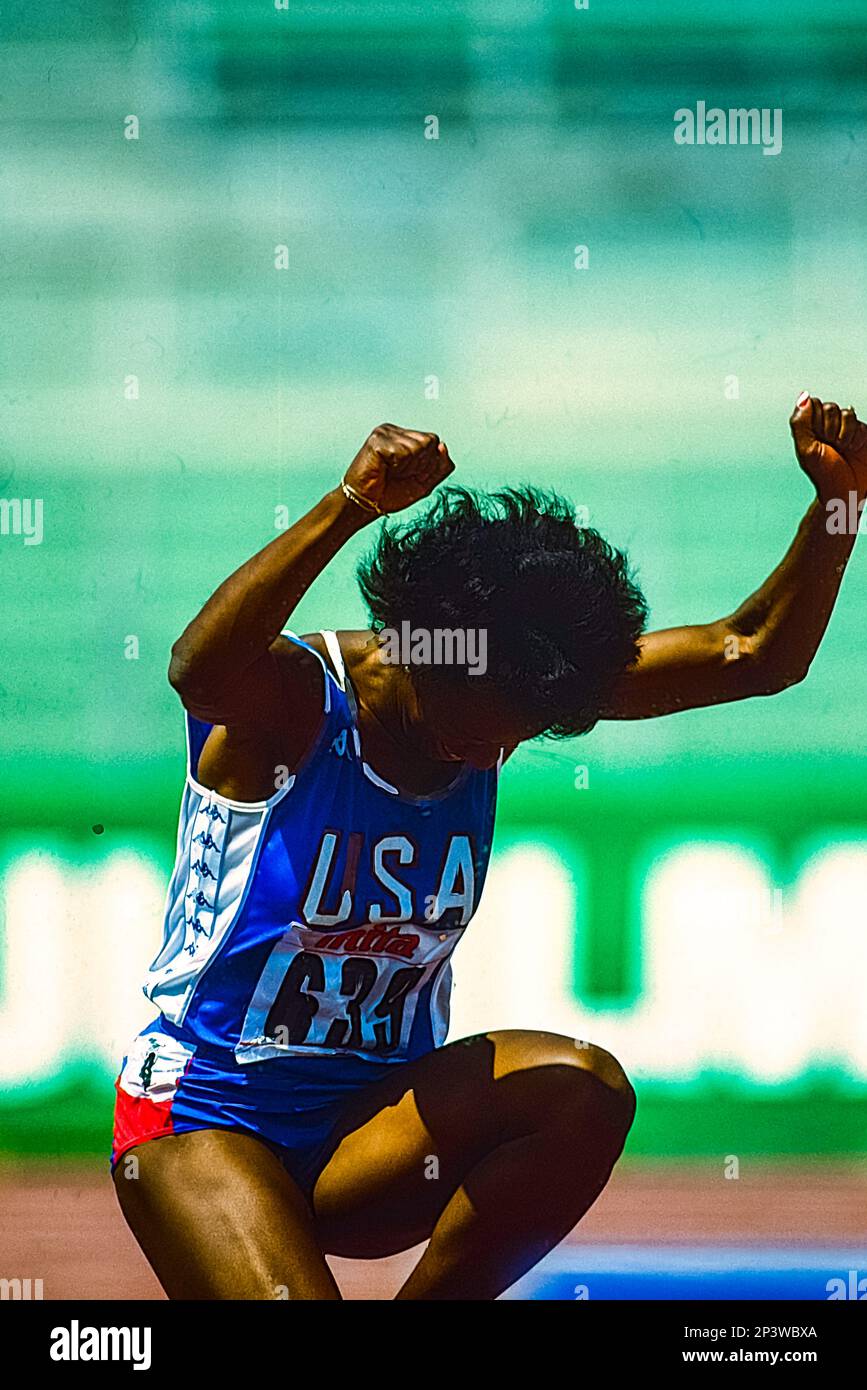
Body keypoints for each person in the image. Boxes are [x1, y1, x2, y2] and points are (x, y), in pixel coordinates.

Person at [112, 394, 866, 1299]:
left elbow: (753, 652)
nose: (489, 757)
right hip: (205, 1116)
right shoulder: (295, 703)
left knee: (583, 1090)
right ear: (421, 653)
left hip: (368, 1137)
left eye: (516, 738)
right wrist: (347, 507)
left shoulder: (510, 675)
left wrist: (839, 508)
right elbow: (196, 668)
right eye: (467, 734)